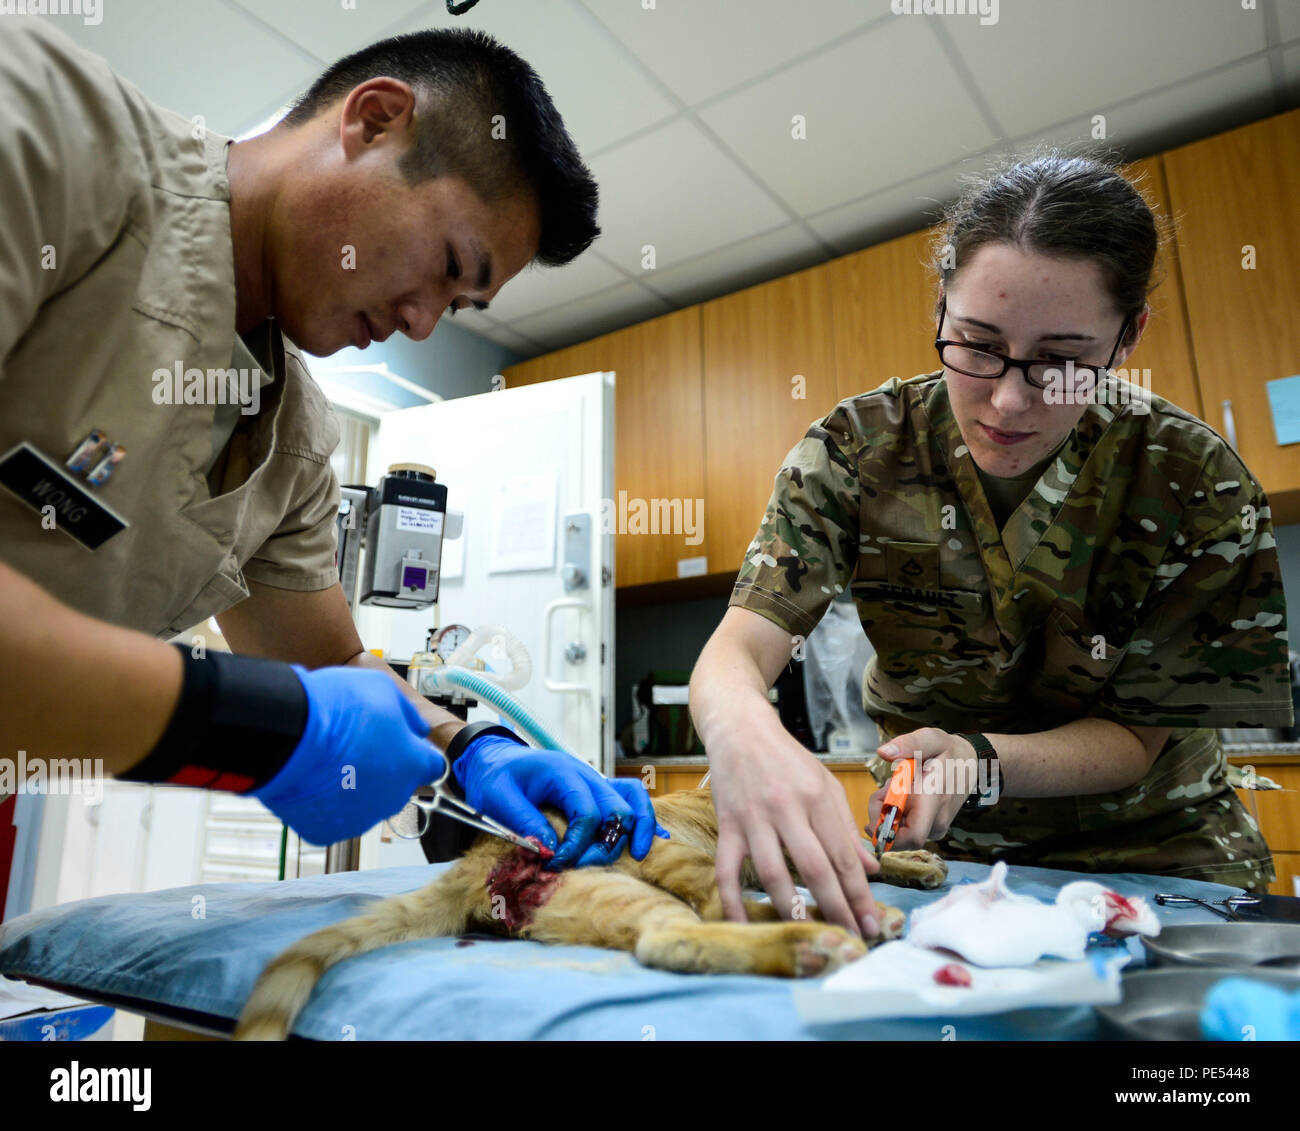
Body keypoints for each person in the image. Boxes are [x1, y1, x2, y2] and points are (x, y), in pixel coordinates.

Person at [0, 20, 656, 868]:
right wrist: (249, 724)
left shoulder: (293, 444)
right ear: (373, 120)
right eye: (449, 263)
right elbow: (304, 703)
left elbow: (332, 662)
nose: (422, 324)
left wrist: (470, 747)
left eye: (458, 310)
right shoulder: (54, 131)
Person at [691, 149, 1292, 938]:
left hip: (1166, 858)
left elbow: (1134, 739)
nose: (1008, 400)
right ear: (940, 305)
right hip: (952, 860)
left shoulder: (1193, 479)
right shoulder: (858, 451)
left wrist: (976, 758)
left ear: (1128, 336)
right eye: (976, 344)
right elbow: (739, 648)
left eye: (1062, 362)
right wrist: (742, 733)